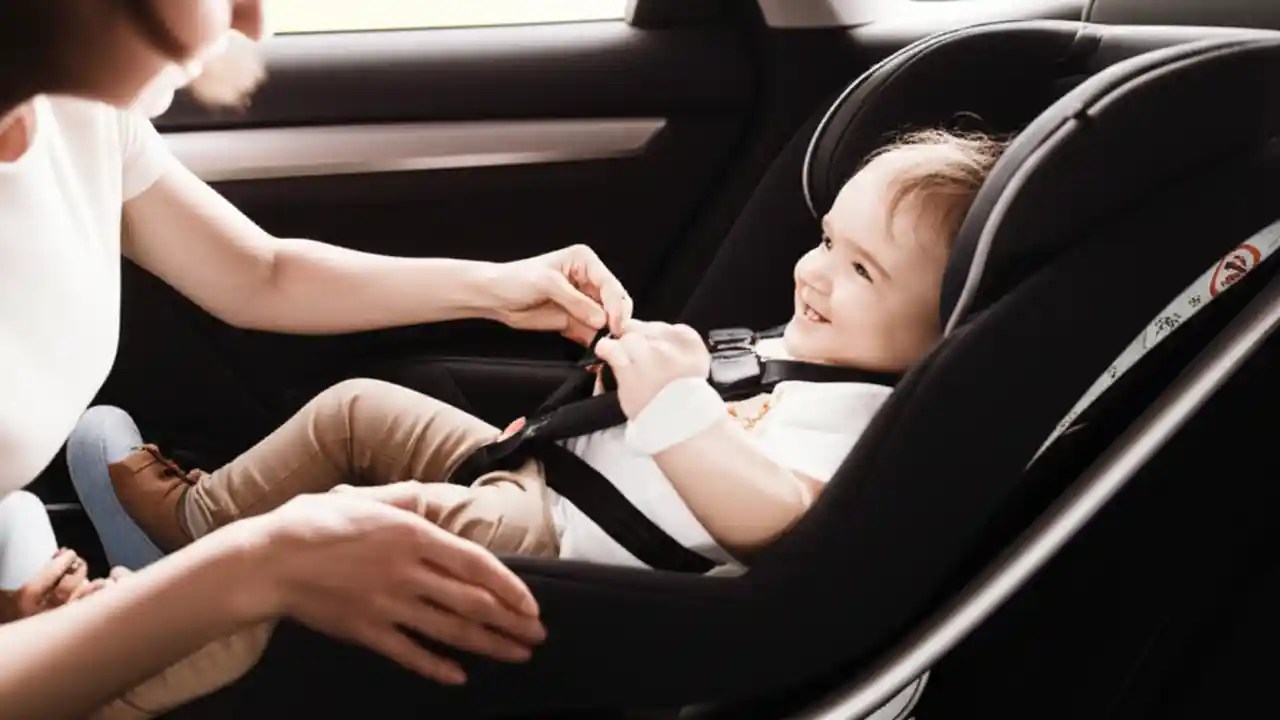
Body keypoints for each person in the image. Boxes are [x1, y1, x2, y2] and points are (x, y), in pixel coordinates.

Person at [79, 130, 1006, 715]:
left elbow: (779, 522)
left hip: (556, 544)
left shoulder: (868, 425)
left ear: (949, 324)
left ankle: (117, 673)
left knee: (326, 543)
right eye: (826, 242)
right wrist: (586, 411)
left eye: (862, 272)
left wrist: (675, 406)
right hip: (544, 474)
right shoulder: (800, 347)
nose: (812, 273)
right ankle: (192, 526)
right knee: (355, 409)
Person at [0, 1, 635, 718]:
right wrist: (254, 566)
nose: (253, 21)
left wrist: (495, 289)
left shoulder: (76, 111)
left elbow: (257, 273)